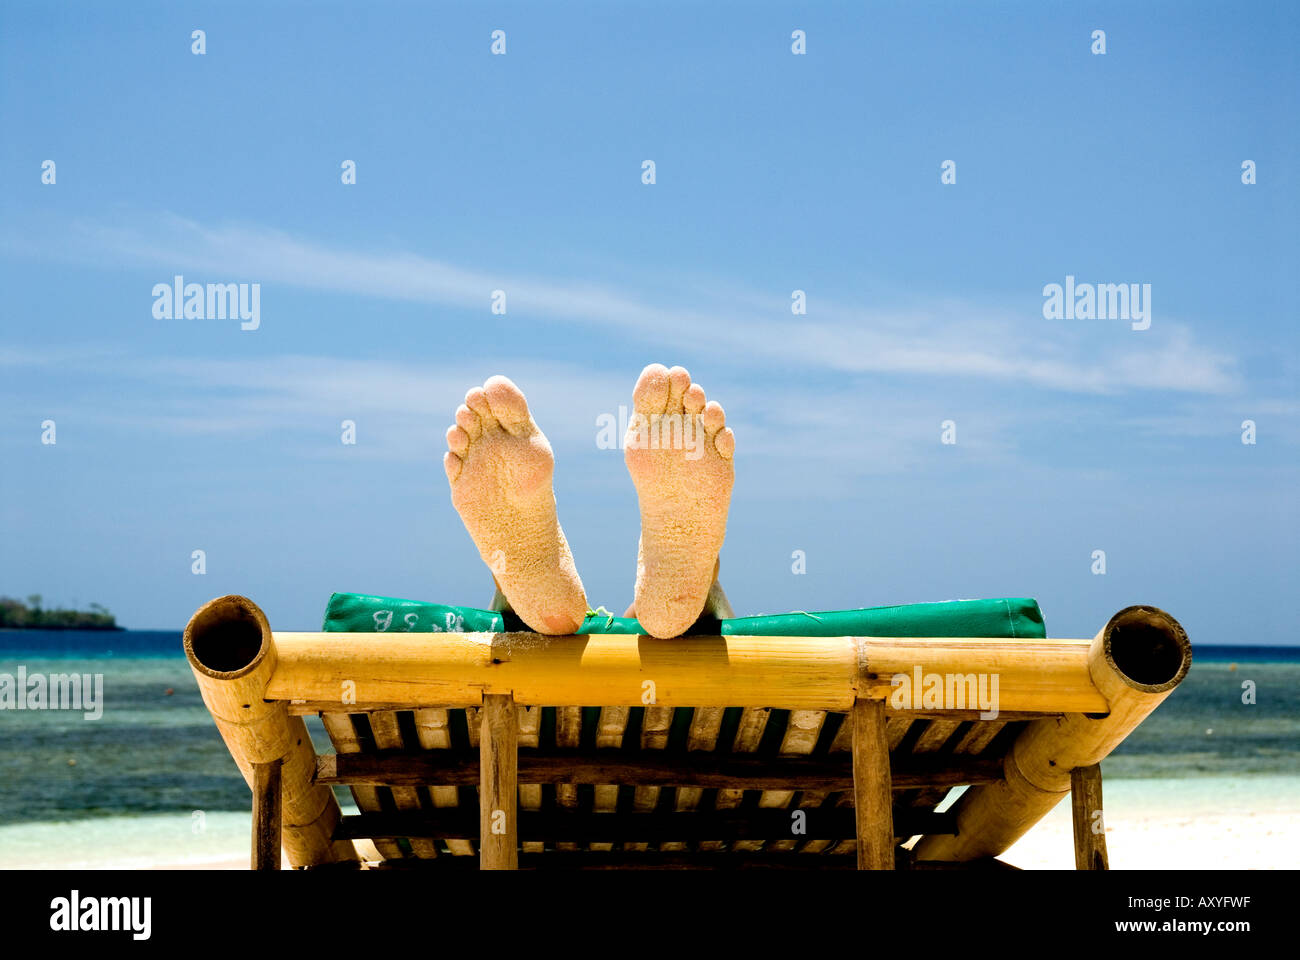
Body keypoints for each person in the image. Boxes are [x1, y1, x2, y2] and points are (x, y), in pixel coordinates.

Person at [443, 364, 736, 639]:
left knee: (518, 610)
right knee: (663, 616)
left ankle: (518, 586)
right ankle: (695, 587)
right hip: (692, 678)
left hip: (525, 675)